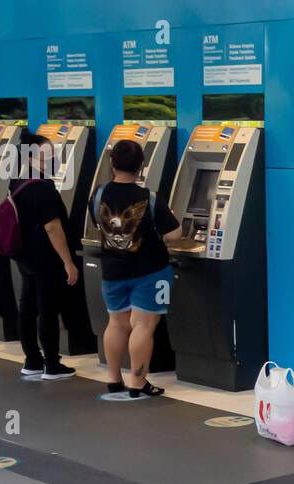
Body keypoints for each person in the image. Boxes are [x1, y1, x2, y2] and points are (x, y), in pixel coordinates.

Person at [92, 137, 181, 400]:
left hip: (112, 271)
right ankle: (138, 381)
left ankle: (113, 379)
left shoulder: (98, 195)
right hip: (150, 273)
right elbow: (175, 233)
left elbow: (99, 225)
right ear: (141, 165)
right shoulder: (149, 198)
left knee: (117, 324)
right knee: (143, 325)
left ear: (111, 163)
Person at [10, 133, 79, 382]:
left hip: (25, 256)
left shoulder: (18, 182)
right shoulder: (42, 187)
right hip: (46, 258)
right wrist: (68, 261)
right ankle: (52, 364)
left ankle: (32, 360)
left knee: (27, 308)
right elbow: (53, 228)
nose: (54, 157)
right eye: (47, 153)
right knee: (48, 310)